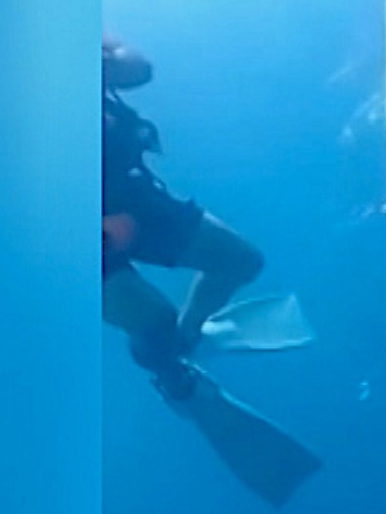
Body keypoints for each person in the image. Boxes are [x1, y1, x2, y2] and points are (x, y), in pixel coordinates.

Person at [102, 35, 267, 403]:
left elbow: (138, 69)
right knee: (154, 318)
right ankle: (169, 373)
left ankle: (183, 342)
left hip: (131, 198)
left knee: (239, 261)